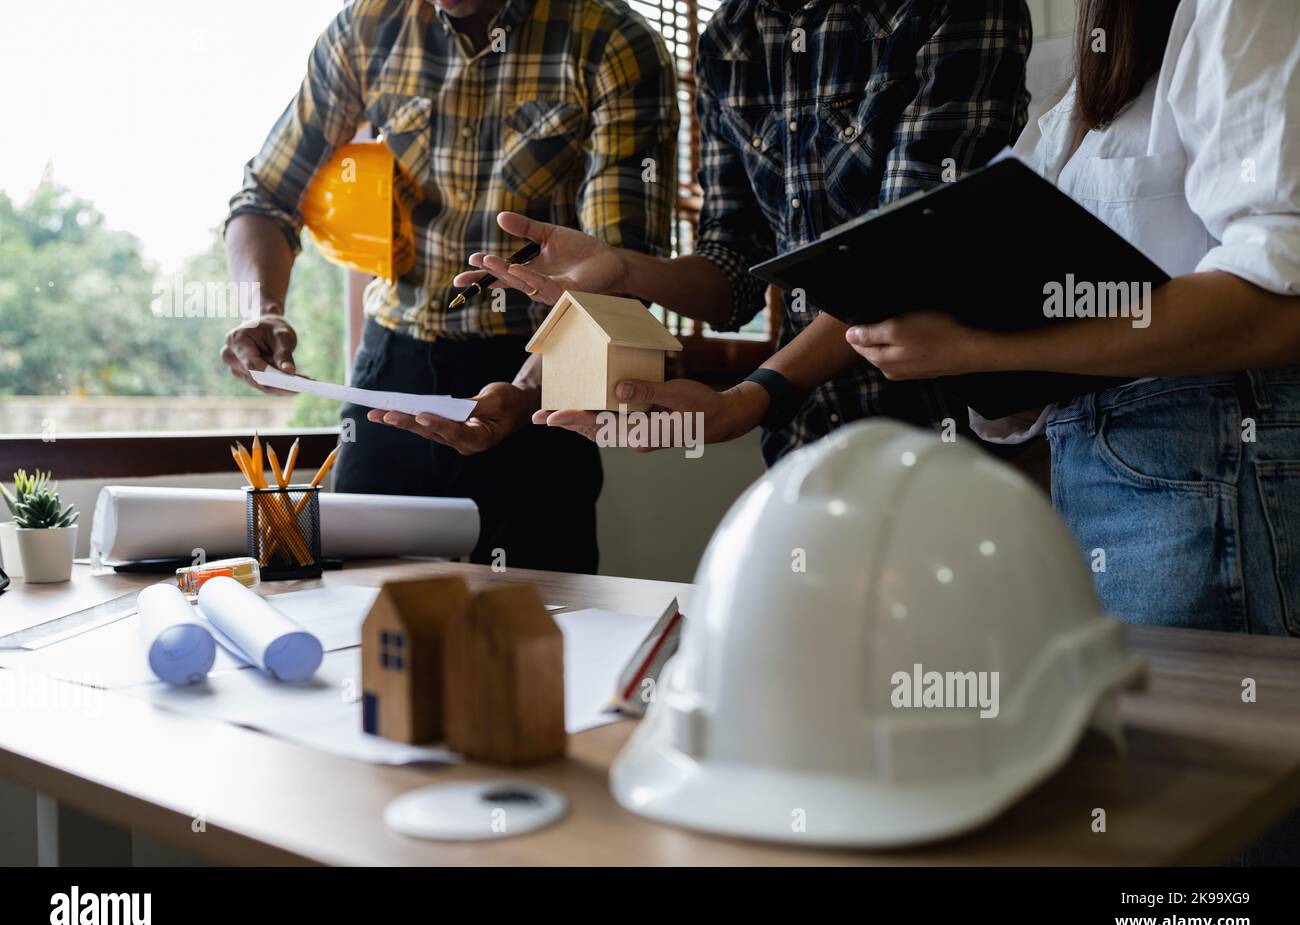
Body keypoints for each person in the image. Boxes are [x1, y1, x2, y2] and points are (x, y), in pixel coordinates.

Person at [401, 0, 1034, 470]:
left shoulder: (955, 7)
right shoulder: (731, 38)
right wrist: (626, 272)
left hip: (956, 438)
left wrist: (749, 398)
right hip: (807, 446)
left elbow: (907, 257)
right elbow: (735, 271)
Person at [843, 0, 1300, 644]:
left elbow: (1280, 303)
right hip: (1105, 498)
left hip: (1212, 494)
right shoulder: (1072, 111)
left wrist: (983, 347)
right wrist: (985, 366)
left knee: (1193, 735)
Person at [221, 0, 678, 573]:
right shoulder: (368, 27)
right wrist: (261, 310)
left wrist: (532, 389)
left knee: (538, 621)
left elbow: (620, 273)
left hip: (541, 372)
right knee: (364, 610)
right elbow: (267, 196)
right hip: (393, 372)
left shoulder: (609, 40)